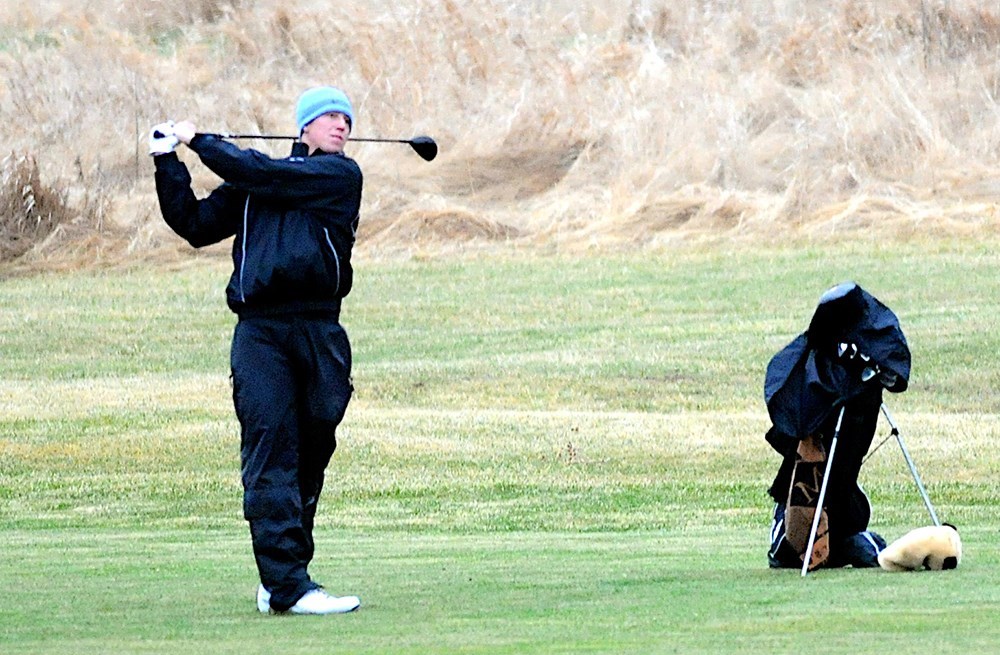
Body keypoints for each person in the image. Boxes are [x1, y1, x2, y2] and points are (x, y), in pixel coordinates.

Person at [150, 86, 363, 615]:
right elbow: (195, 225)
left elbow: (272, 176)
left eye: (346, 119)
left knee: (311, 453)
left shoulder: (337, 177)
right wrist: (167, 161)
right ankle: (288, 587)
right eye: (329, 117)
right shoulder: (252, 184)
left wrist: (202, 140)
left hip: (321, 332)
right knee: (272, 450)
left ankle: (283, 575)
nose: (341, 126)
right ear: (304, 127)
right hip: (261, 333)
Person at [762, 282, 910, 570]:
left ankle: (840, 540)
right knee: (792, 547)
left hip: (844, 504)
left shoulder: (857, 371)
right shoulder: (817, 369)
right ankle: (809, 541)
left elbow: (895, 371)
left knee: (864, 544)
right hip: (805, 509)